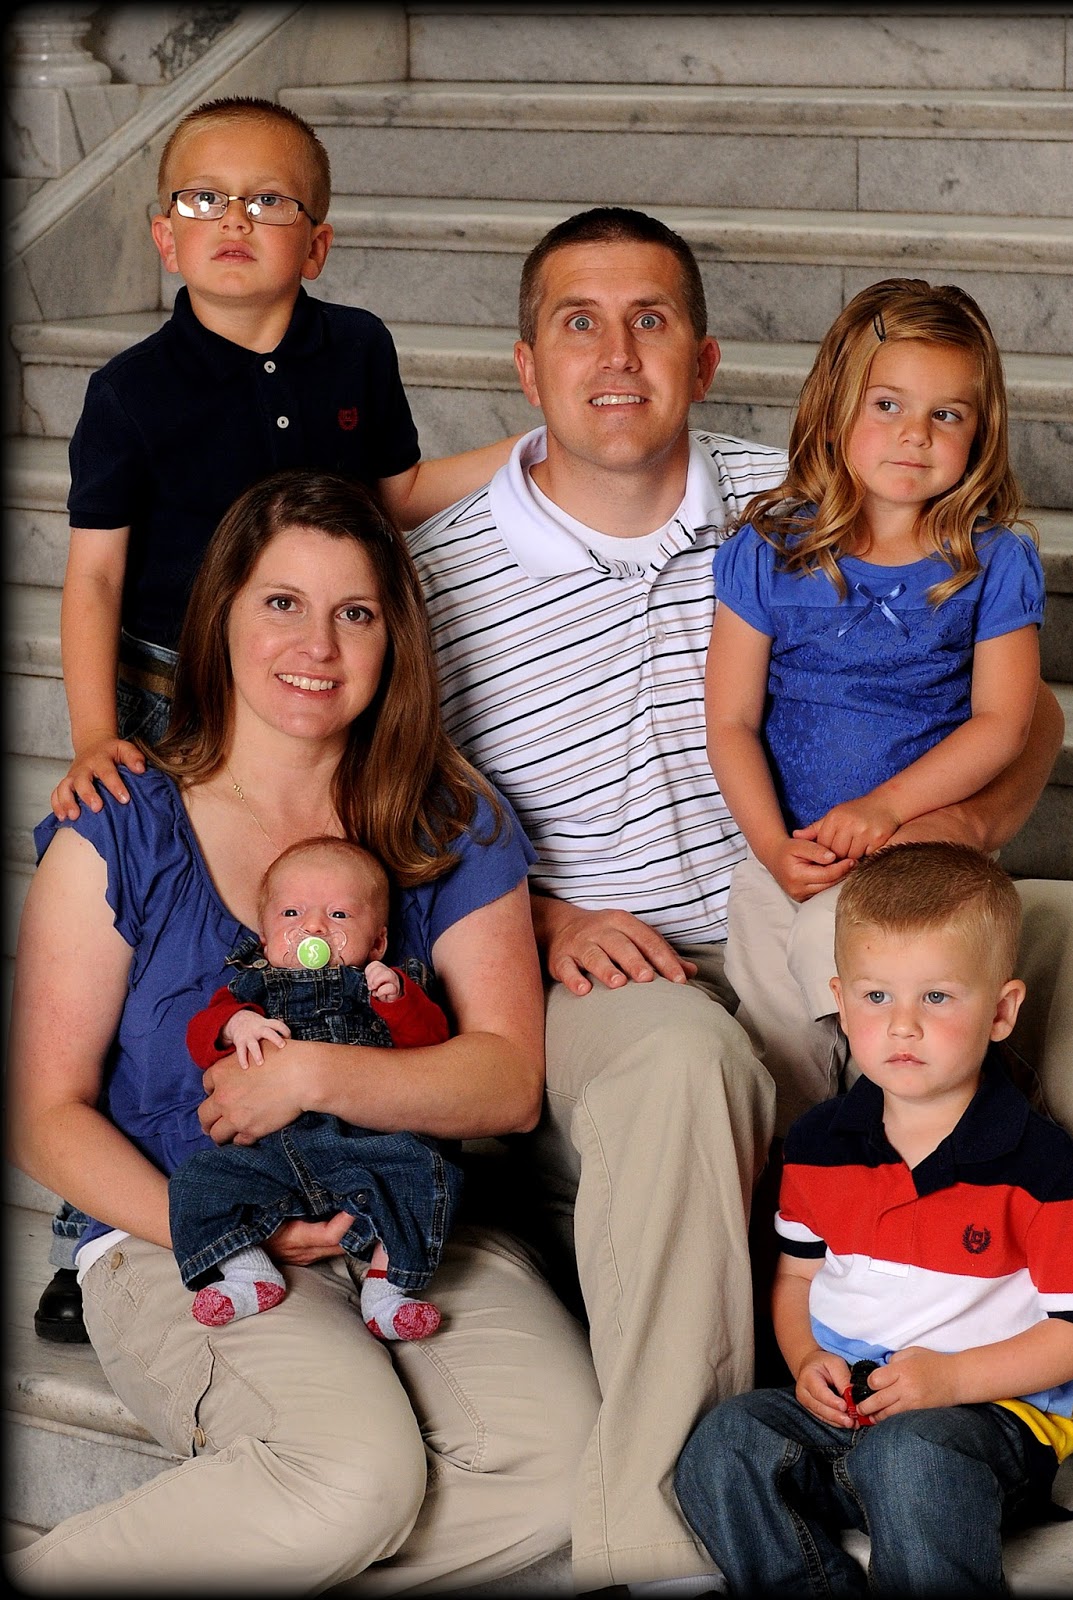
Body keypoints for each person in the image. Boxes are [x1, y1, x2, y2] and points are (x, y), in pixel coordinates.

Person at [406, 205, 1073, 1594]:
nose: (617, 354)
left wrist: (966, 823)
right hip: (615, 969)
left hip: (878, 888)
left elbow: (1017, 716)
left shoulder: (795, 491)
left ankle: (1062, 1363)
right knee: (691, 1057)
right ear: (522, 366)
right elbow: (389, 806)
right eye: (579, 322)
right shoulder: (437, 571)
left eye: (651, 320)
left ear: (708, 352)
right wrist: (534, 919)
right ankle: (688, 1521)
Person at [5, 470, 599, 1593]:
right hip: (179, 1236)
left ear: (395, 638)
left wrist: (317, 1075)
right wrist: (228, 1228)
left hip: (407, 1223)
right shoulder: (123, 822)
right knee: (357, 1475)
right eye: (280, 602)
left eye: (355, 612)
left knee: (568, 1470)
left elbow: (508, 1079)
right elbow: (42, 1115)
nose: (315, 643)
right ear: (221, 618)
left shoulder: (448, 820)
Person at [36, 93, 518, 1343]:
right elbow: (92, 573)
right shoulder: (131, 389)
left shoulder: (353, 347)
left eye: (268, 201)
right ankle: (93, 1224)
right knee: (142, 930)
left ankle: (349, 1160)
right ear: (160, 235)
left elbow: (391, 495)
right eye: (202, 198)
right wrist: (100, 733)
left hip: (306, 642)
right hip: (163, 668)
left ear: (319, 242)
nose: (232, 221)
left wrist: (530, 459)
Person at [674, 842, 1073, 1596]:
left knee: (909, 1454)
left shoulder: (1042, 1167)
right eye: (876, 997)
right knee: (726, 1440)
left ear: (1002, 1010)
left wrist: (951, 1377)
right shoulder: (820, 1143)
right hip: (852, 1409)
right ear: (841, 1001)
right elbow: (795, 1274)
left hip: (987, 1425)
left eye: (937, 998)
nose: (902, 1026)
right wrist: (804, 1357)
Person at [705, 278, 1045, 1136]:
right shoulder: (768, 551)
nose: (913, 434)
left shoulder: (991, 563)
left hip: (912, 864)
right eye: (887, 403)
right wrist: (773, 848)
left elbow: (1004, 722)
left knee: (887, 1030)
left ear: (982, 429)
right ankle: (802, 1208)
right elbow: (730, 722)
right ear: (832, 408)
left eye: (947, 415)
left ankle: (921, 1171)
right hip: (788, 856)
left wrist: (886, 810)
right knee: (780, 1039)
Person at [176, 835, 456, 1340]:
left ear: (377, 943)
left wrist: (397, 1003)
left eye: (339, 916)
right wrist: (236, 1025)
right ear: (264, 940)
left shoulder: (384, 984)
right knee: (199, 1180)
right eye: (291, 914)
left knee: (425, 1170)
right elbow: (200, 1035)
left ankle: (388, 1287)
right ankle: (246, 1272)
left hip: (366, 1147)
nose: (313, 927)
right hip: (274, 1156)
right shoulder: (252, 989)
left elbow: (432, 1045)